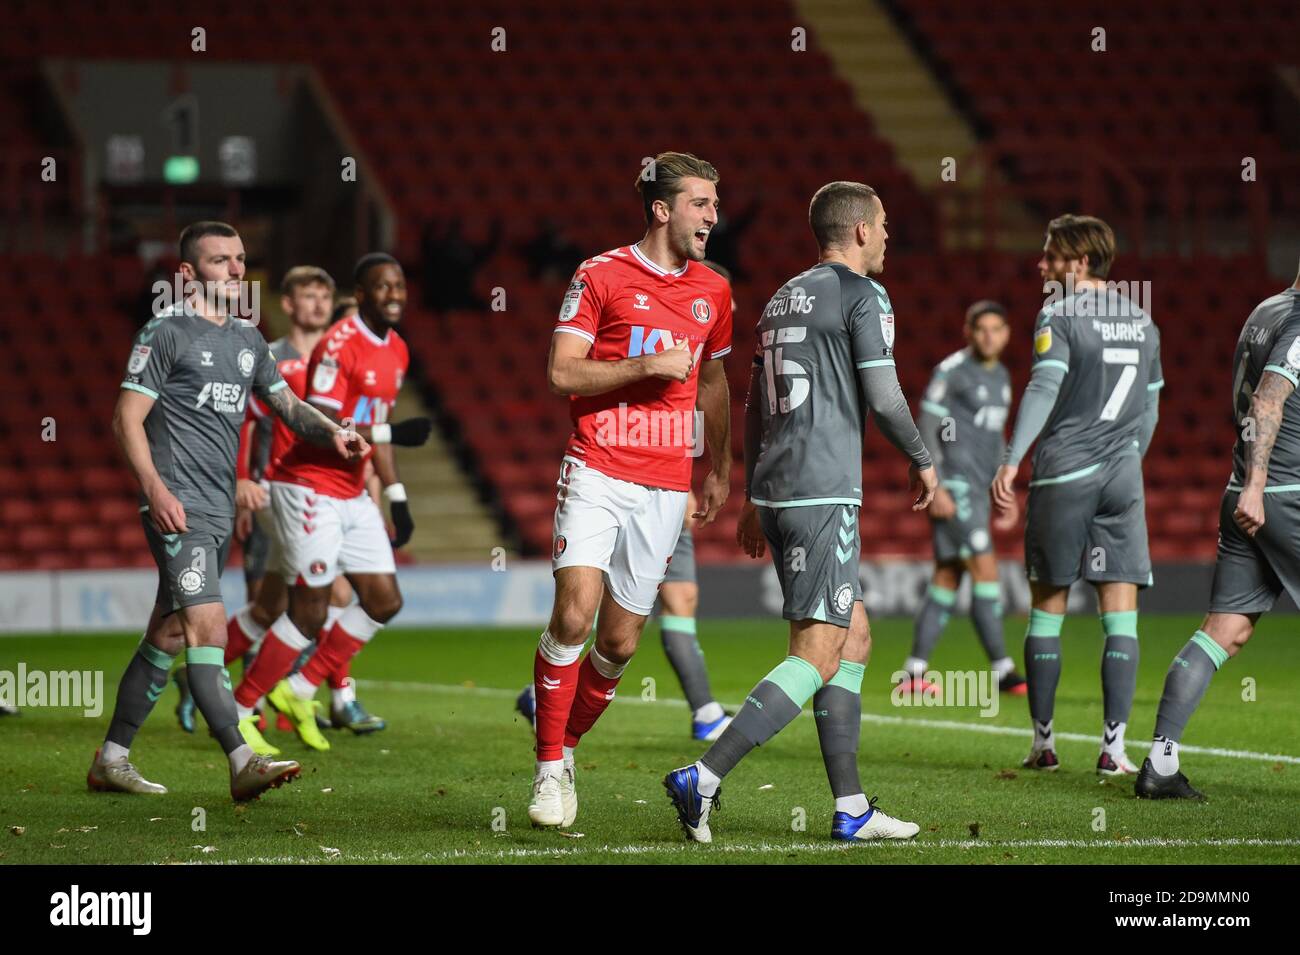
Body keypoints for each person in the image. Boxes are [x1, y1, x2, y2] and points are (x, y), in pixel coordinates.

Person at [665, 181, 936, 843]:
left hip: (784, 489)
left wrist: (756, 493)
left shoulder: (784, 296)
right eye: (886, 226)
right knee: (816, 655)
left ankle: (851, 807)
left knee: (855, 637)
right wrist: (922, 456)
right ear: (862, 231)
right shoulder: (862, 294)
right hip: (821, 490)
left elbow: (756, 400)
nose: (890, 238)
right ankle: (703, 774)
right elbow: (884, 389)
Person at [92, 221, 367, 800]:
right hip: (179, 510)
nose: (238, 271)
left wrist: (334, 432)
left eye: (241, 260)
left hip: (216, 511)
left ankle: (110, 759)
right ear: (189, 273)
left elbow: (288, 406)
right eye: (221, 261)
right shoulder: (165, 332)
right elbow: (126, 418)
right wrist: (156, 489)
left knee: (166, 636)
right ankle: (242, 760)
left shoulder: (247, 339)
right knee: (208, 627)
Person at [528, 151, 733, 828]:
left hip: (666, 485)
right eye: (701, 203)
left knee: (617, 645)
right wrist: (646, 363)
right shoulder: (600, 273)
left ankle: (565, 746)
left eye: (714, 203)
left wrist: (722, 465)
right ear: (662, 210)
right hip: (597, 467)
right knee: (573, 616)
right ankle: (549, 769)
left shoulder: (715, 290)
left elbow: (713, 383)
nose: (713, 215)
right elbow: (563, 372)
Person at [230, 253, 429, 753]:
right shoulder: (339, 345)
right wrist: (391, 431)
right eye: (383, 288)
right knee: (308, 610)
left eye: (400, 286)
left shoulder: (399, 351)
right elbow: (319, 421)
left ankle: (298, 689)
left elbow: (373, 431)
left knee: (384, 601)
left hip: (352, 491)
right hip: (306, 485)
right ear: (360, 295)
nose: (395, 295)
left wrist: (397, 496)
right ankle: (238, 710)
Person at [990, 214, 1162, 776]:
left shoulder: (1059, 314)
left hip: (1065, 472)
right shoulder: (1142, 319)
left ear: (1080, 261)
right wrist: (1129, 462)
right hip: (1122, 475)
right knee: (1121, 616)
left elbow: (1043, 385)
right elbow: (1151, 406)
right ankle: (1114, 750)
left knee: (1048, 609)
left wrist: (1013, 457)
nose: (1041, 265)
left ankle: (1044, 744)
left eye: (1050, 255)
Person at [1137, 265, 1300, 799]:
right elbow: (1268, 400)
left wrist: (1247, 488)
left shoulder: (1264, 311)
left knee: (1224, 631)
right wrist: (1258, 485)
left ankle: (1160, 763)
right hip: (1280, 493)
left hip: (1243, 495)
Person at [899, 300, 1026, 697]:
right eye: (981, 329)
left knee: (948, 577)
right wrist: (935, 484)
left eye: (997, 329)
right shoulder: (952, 372)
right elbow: (928, 423)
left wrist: (1003, 488)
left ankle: (914, 672)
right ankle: (1004, 670)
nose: (989, 336)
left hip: (979, 491)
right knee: (986, 573)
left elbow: (994, 438)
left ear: (1006, 335)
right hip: (954, 486)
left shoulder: (1002, 376)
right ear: (968, 332)